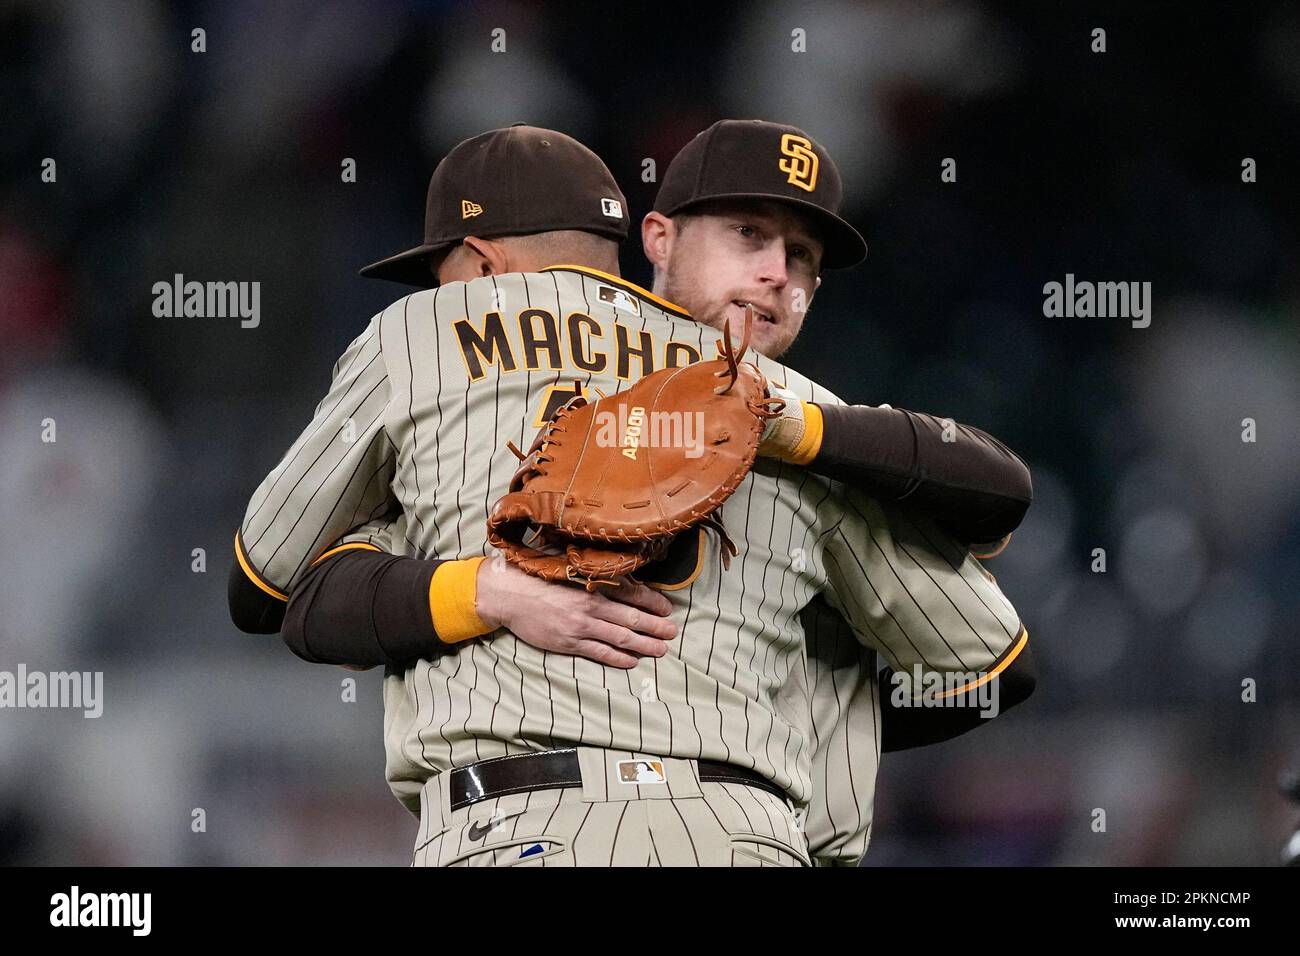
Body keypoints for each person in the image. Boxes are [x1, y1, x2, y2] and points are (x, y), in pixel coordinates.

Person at [230, 122, 1032, 866]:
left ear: (475, 265)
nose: (776, 274)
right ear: (643, 240)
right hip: (745, 830)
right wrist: (780, 696)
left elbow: (268, 589)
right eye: (749, 234)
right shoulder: (789, 401)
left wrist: (481, 592)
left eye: (801, 258)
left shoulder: (421, 342)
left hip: (513, 823)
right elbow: (993, 665)